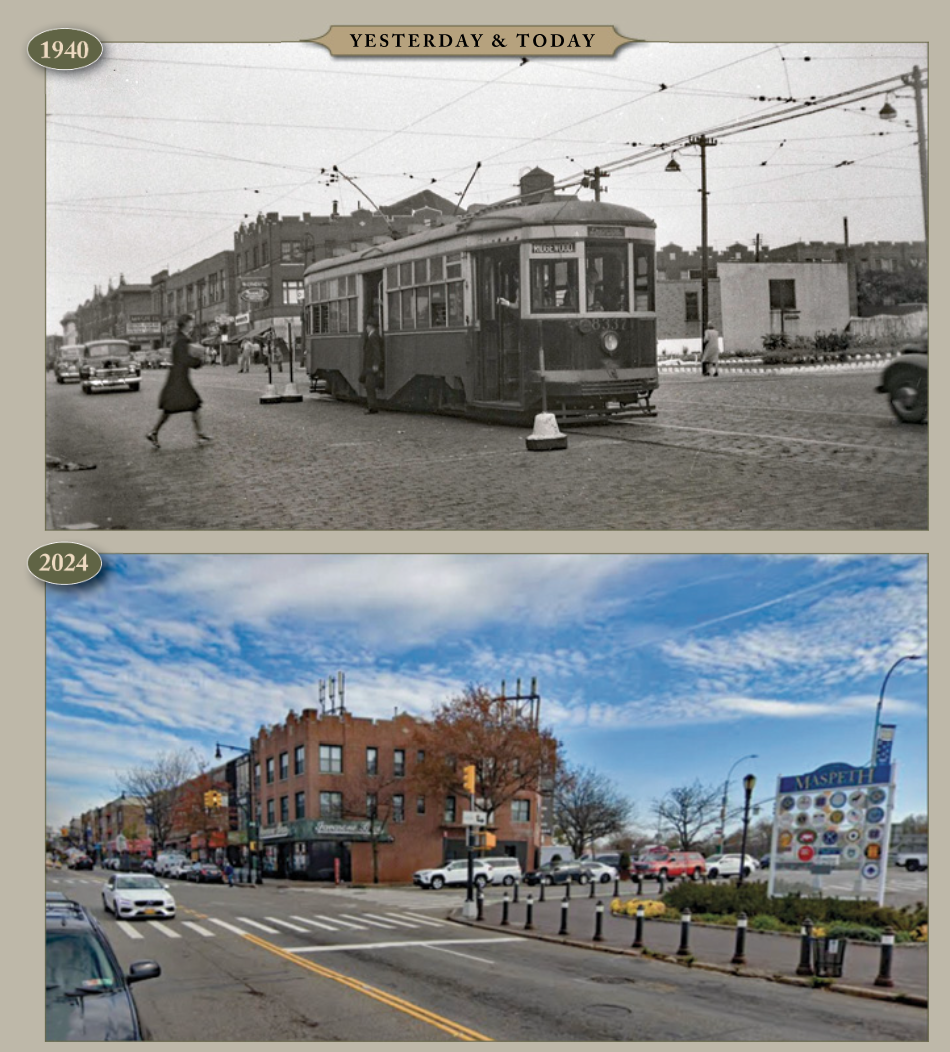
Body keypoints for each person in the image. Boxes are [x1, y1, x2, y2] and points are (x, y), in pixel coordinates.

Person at [146, 313, 212, 447]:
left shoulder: (179, 338)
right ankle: (198, 435)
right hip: (179, 378)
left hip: (177, 376)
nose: (193, 325)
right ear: (185, 323)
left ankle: (154, 432)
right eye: (191, 322)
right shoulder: (182, 340)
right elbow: (184, 359)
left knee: (180, 407)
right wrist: (199, 362)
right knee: (191, 404)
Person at [359, 315, 384, 414]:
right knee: (369, 385)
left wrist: (376, 364)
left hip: (371, 366)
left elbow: (376, 351)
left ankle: (372, 407)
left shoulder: (373, 336)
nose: (366, 328)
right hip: (370, 366)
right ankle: (372, 406)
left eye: (367, 326)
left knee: (369, 385)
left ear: (371, 327)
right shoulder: (374, 336)